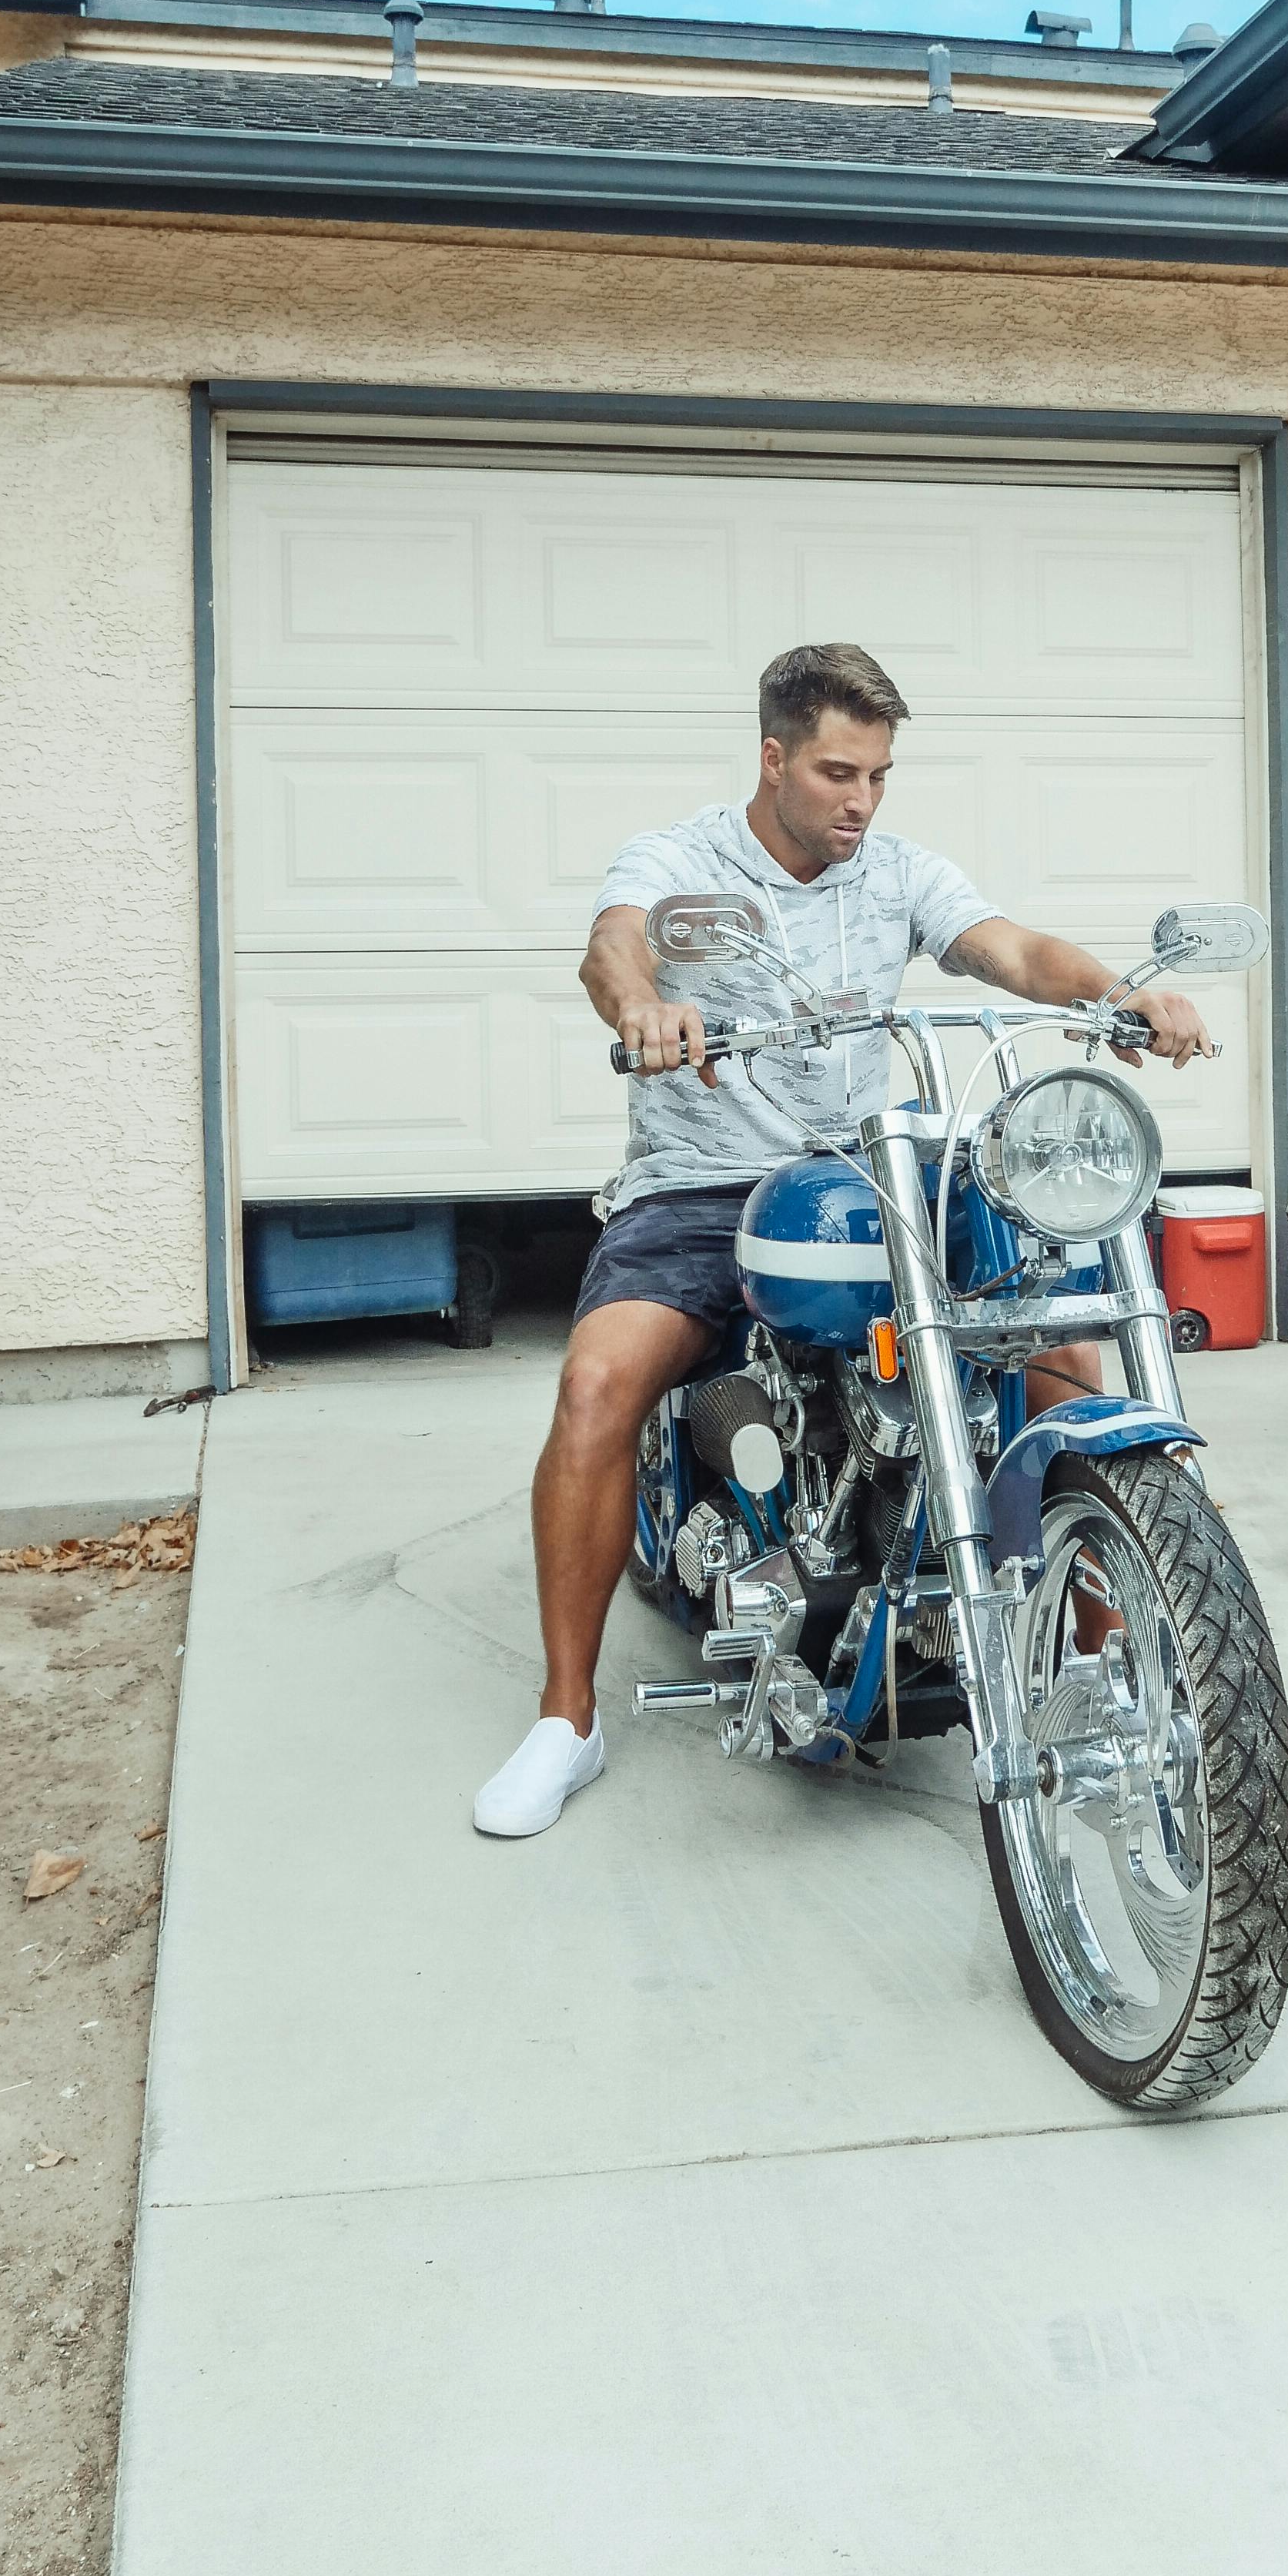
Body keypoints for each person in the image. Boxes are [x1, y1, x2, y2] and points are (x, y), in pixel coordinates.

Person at [471, 638, 1209, 1840]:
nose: (860, 801)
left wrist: (1115, 995)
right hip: (704, 1184)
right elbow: (615, 945)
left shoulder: (897, 873)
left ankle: (1100, 1682)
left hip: (870, 1176)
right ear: (774, 759)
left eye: (876, 776)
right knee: (599, 1385)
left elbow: (1011, 949)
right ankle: (567, 1718)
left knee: (1061, 1351)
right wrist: (645, 1005)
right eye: (835, 774)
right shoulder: (682, 862)